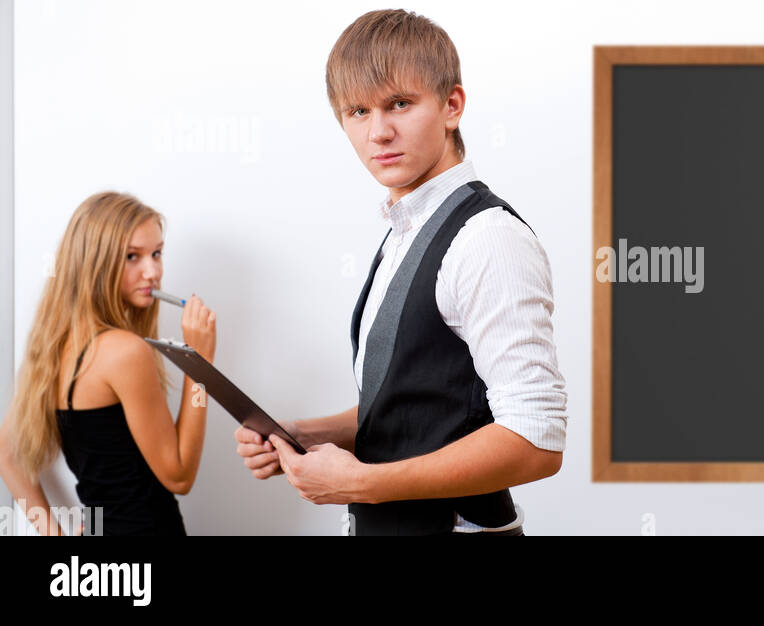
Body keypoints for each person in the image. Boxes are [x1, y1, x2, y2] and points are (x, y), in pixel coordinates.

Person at [234, 9, 566, 535]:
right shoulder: (406, 226)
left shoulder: (487, 239)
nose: (378, 132)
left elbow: (536, 440)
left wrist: (360, 483)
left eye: (400, 104)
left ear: (452, 105)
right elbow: (418, 405)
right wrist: (302, 432)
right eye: (358, 111)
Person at [0, 192, 217, 535]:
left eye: (156, 253)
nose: (153, 271)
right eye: (132, 256)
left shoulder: (54, 347)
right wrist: (200, 366)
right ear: (94, 262)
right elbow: (179, 475)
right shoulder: (125, 352)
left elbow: (7, 453)